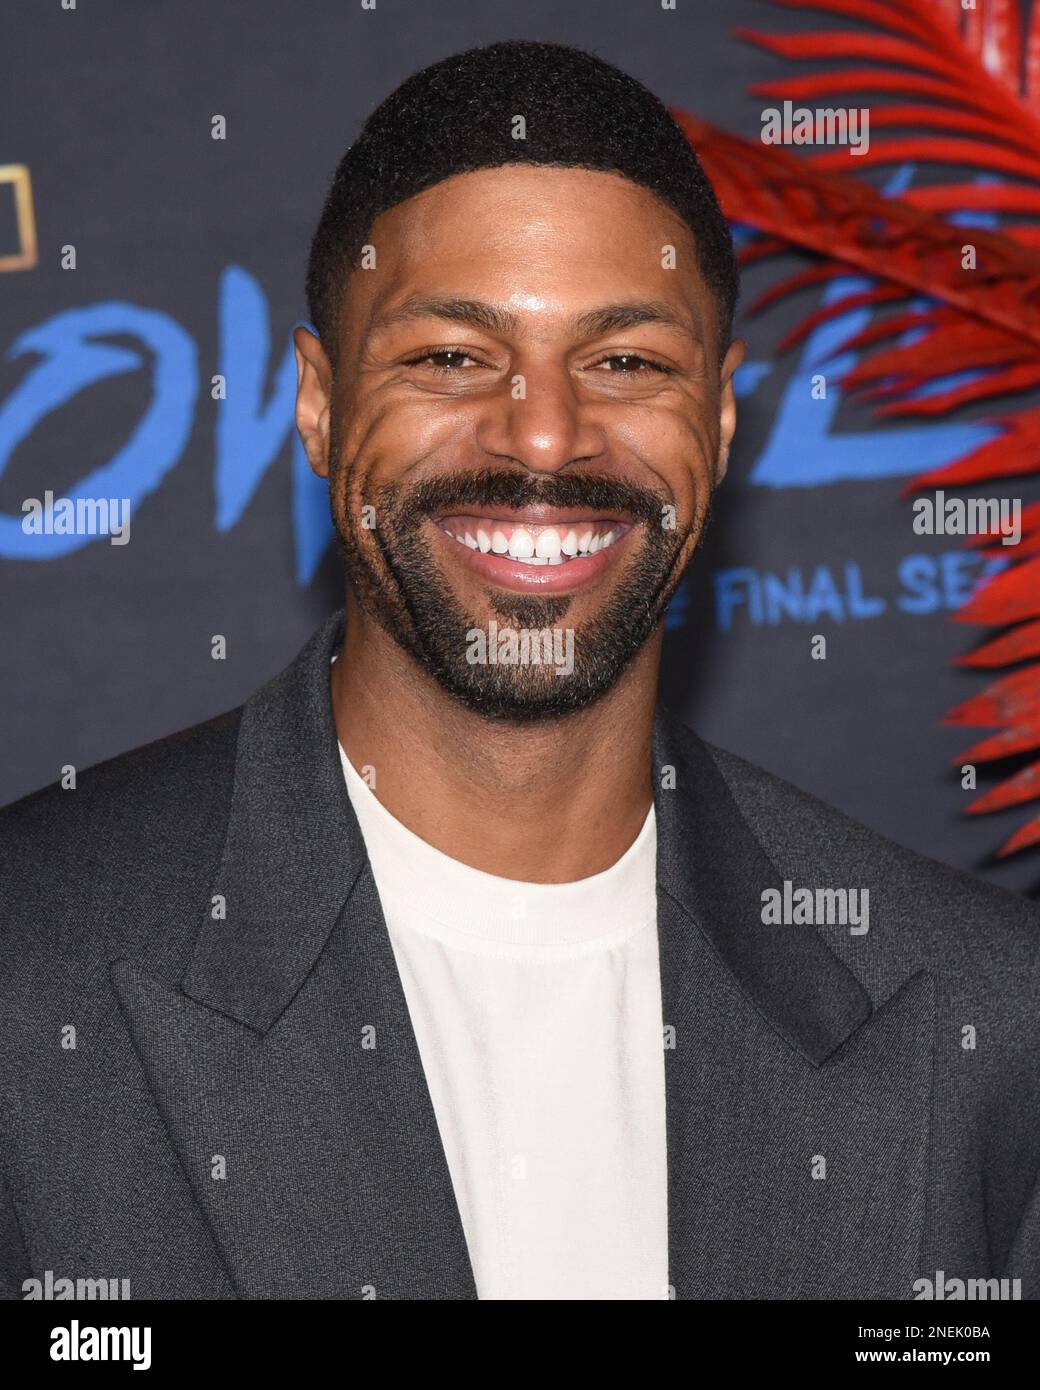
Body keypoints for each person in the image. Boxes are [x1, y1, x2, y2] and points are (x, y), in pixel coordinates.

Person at [2, 39, 1037, 1302]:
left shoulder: (982, 1019)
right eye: (450, 356)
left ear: (716, 420)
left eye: (625, 361)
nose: (543, 431)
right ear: (318, 406)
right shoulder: (31, 966)